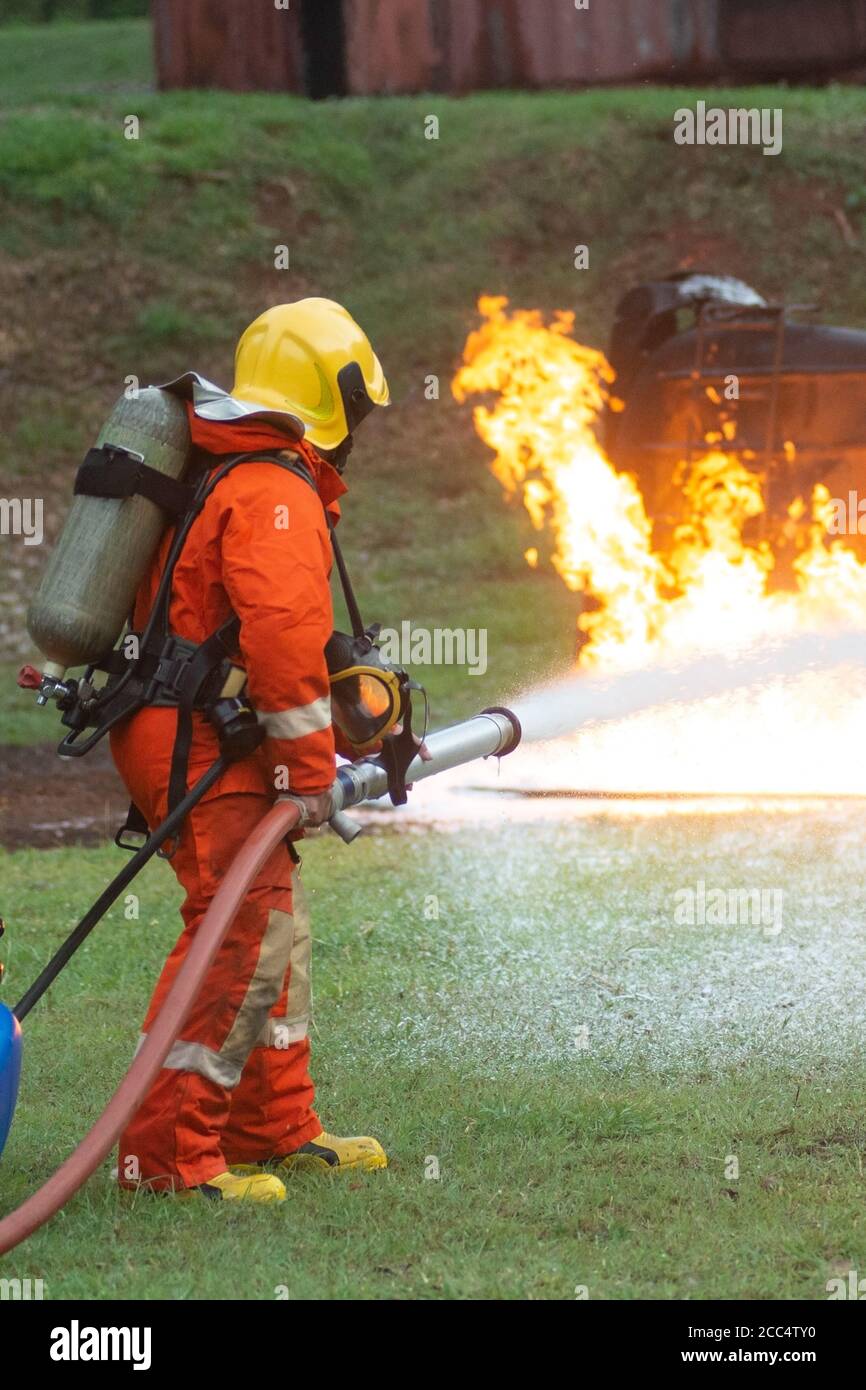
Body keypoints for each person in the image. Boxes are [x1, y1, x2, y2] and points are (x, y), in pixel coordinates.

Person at [112, 299, 393, 1201]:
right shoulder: (274, 491)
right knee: (234, 931)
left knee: (271, 922)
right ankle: (163, 1160)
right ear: (336, 399)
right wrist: (312, 776)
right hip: (197, 741)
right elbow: (279, 644)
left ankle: (271, 1127)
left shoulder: (232, 471)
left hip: (190, 731)